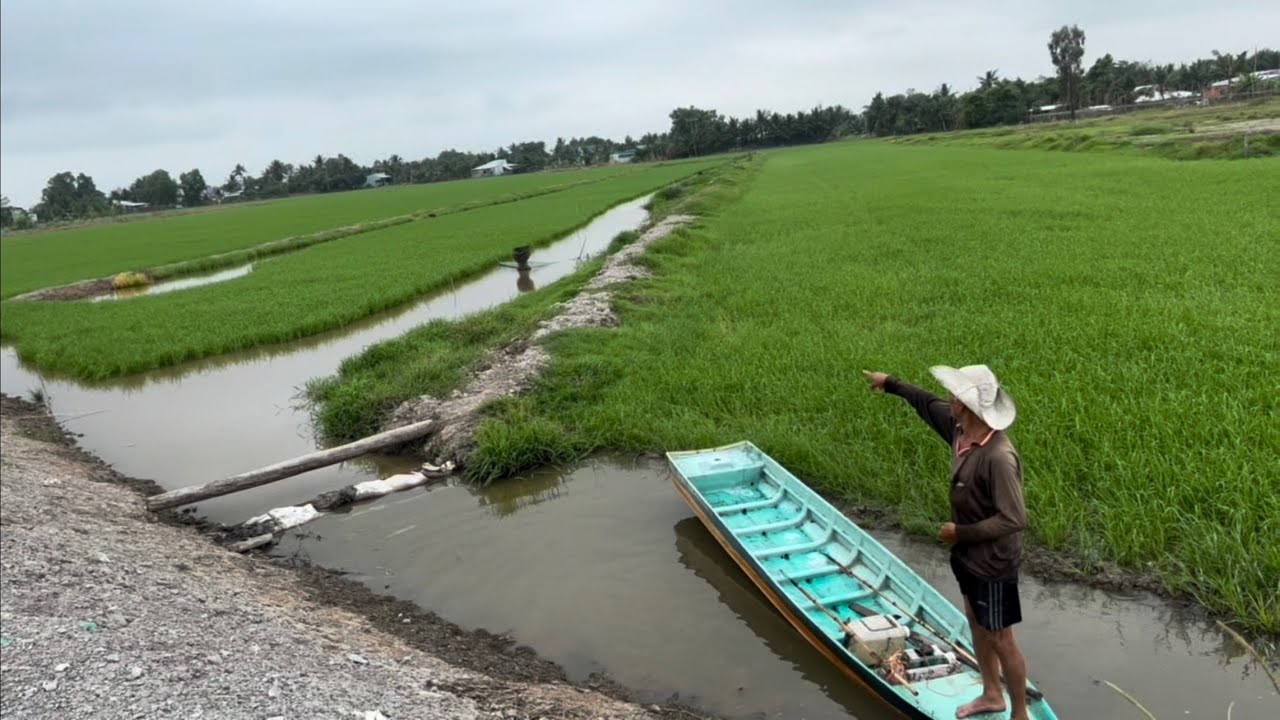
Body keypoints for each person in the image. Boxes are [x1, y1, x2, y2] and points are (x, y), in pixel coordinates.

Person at [863, 365, 1031, 720]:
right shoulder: (960, 430)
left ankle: (1019, 714)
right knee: (975, 619)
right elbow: (926, 403)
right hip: (967, 556)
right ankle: (991, 695)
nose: (950, 399)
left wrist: (961, 532)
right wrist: (890, 383)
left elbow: (1014, 519)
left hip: (994, 562)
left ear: (968, 406)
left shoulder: (998, 457)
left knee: (1002, 637)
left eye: (956, 395)